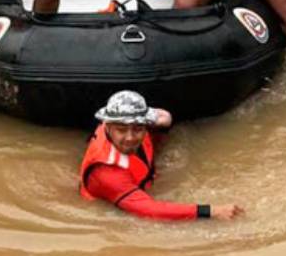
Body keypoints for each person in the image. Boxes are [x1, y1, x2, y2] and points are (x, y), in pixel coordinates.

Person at [80, 90, 242, 221]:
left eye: (137, 128)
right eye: (121, 130)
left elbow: (163, 117)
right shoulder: (106, 174)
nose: (130, 137)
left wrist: (165, 122)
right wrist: (211, 211)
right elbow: (150, 210)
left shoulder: (142, 127)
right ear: (107, 128)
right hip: (120, 201)